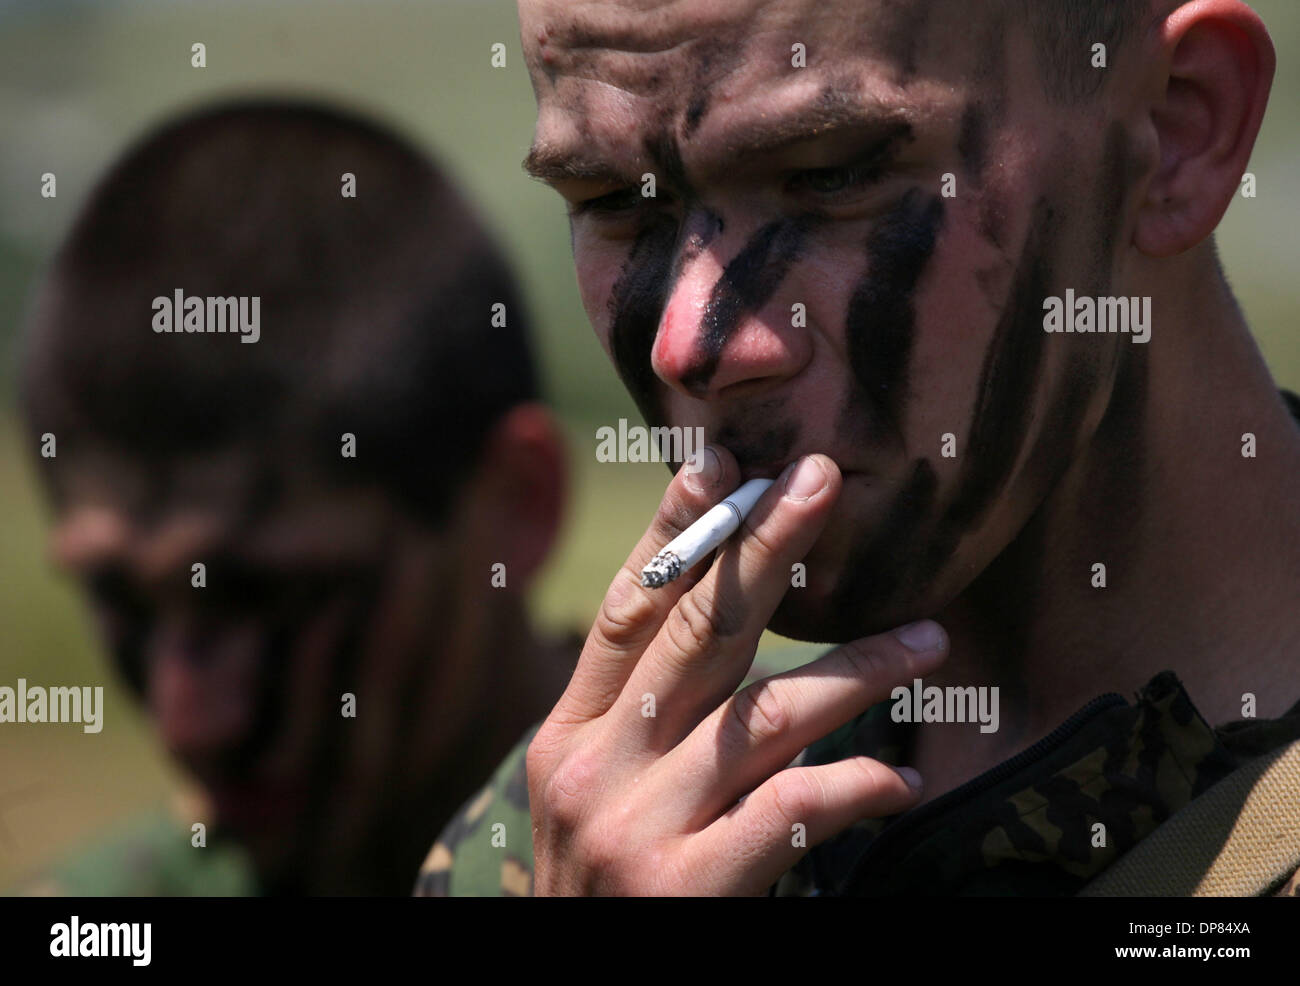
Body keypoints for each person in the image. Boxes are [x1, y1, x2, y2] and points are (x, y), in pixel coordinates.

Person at [417, 0, 1300, 896]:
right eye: (612, 203)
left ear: (1179, 130)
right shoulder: (583, 835)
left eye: (831, 177)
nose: (689, 344)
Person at [15, 98, 574, 895]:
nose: (192, 720)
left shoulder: (784, 815)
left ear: (518, 505)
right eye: (121, 597)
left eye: (268, 595)